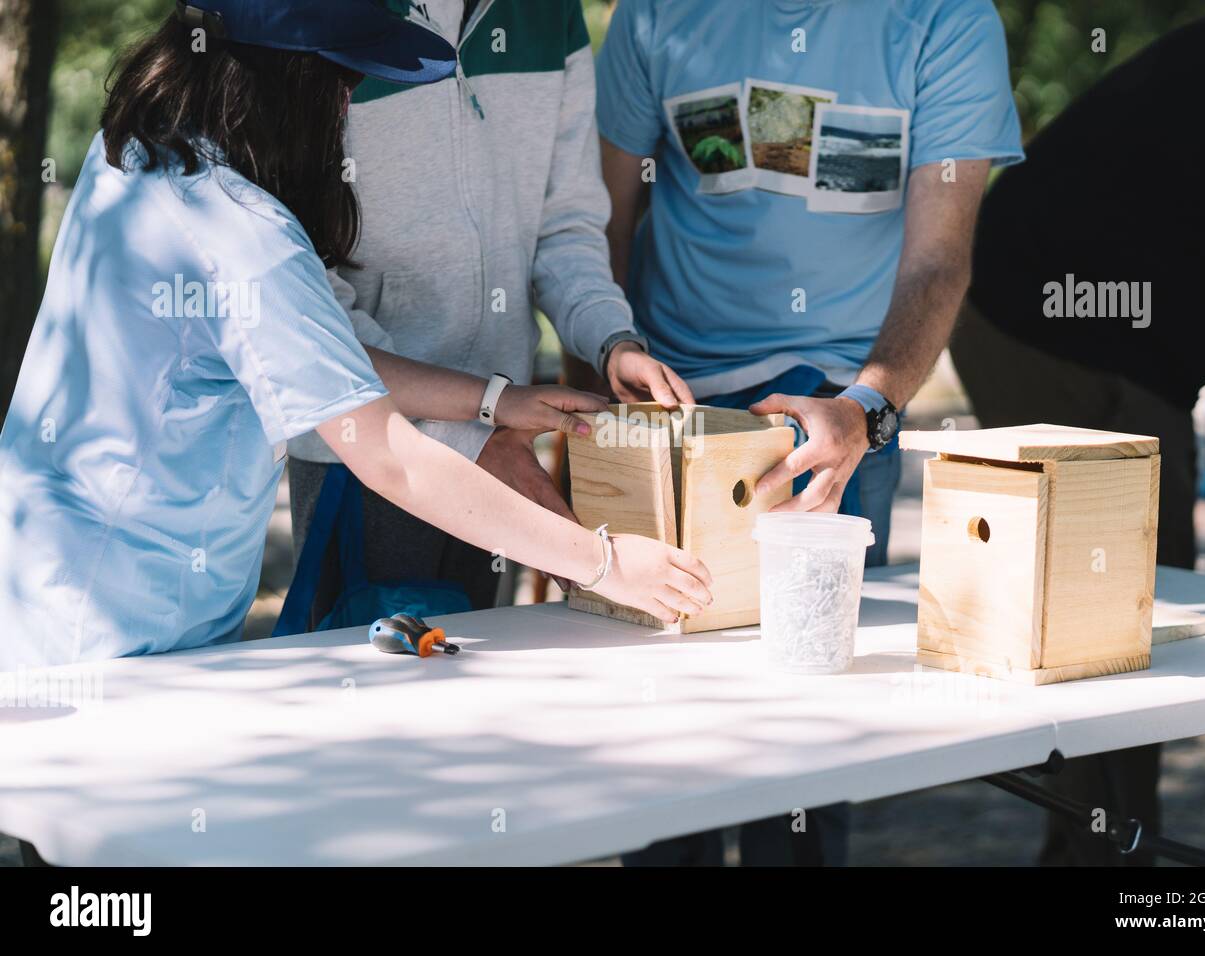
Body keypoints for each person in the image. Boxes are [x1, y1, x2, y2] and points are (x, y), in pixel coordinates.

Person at [0, 0, 712, 671]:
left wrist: (494, 400)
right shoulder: (247, 235)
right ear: (296, 82)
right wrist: (606, 563)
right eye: (345, 83)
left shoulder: (138, 152)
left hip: (57, 580)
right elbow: (390, 457)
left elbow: (317, 356)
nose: (347, 107)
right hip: (115, 629)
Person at [595, 0, 1023, 865]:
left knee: (804, 740)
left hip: (840, 405)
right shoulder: (656, 12)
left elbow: (940, 255)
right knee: (661, 740)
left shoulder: (945, 17)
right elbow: (603, 216)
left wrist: (869, 405)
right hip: (670, 403)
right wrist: (593, 437)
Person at [952, 0, 1205, 865]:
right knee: (1122, 603)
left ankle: (1106, 842)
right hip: (1043, 316)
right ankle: (1104, 856)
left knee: (1138, 597)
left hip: (1131, 339)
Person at [285, 0, 696, 623]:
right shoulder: (328, 19)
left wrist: (611, 339)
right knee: (371, 701)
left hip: (507, 444)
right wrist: (472, 434)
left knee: (485, 693)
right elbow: (315, 310)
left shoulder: (551, 16)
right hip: (369, 456)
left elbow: (565, 226)